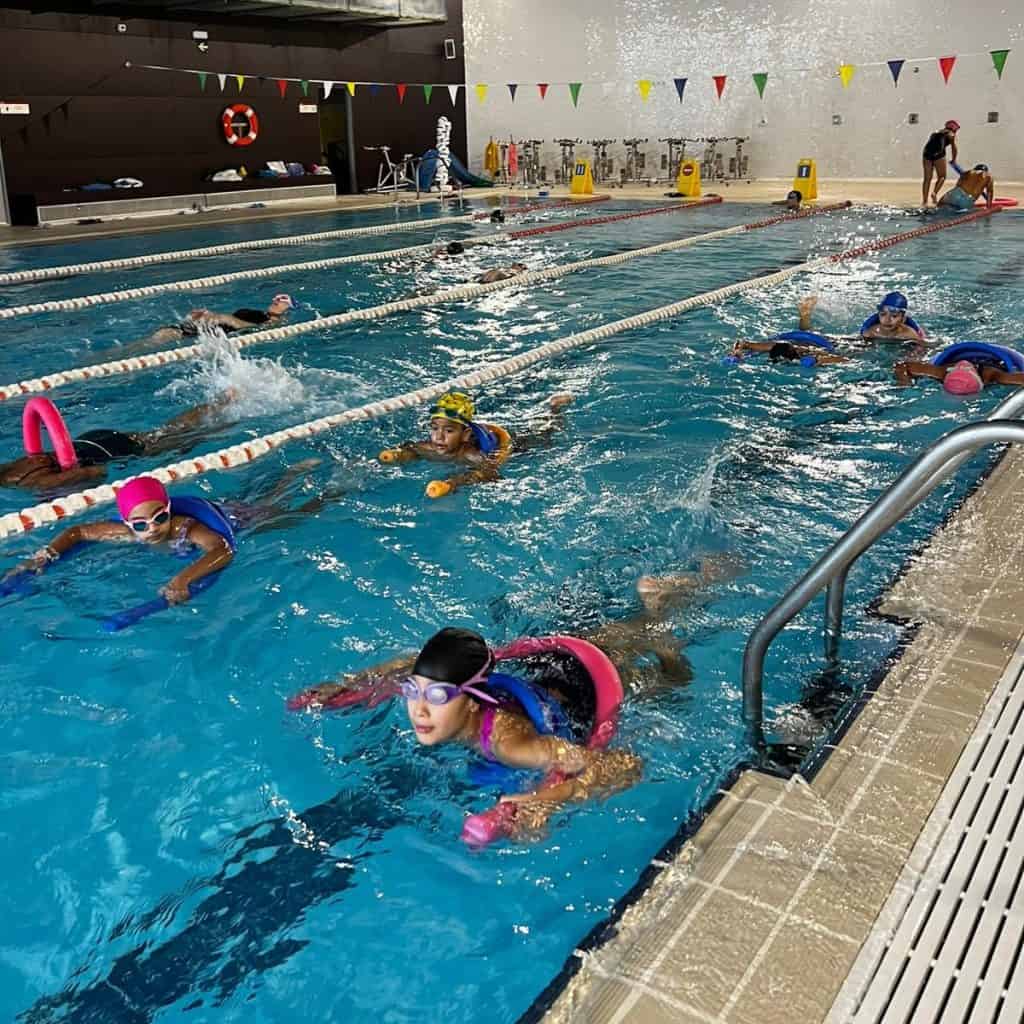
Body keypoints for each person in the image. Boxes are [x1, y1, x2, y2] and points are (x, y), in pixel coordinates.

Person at [289, 561, 741, 835]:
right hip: (546, 670)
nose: (419, 709)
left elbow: (622, 765)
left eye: (438, 695)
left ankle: (672, 615)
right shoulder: (452, 697)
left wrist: (550, 799)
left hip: (588, 685)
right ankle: (655, 613)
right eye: (413, 692)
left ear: (471, 701)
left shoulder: (512, 744)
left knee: (673, 685)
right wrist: (355, 683)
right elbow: (413, 663)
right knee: (622, 637)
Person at [2, 461, 329, 605]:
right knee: (266, 497)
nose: (153, 529)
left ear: (169, 511)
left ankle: (305, 481)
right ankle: (288, 476)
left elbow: (222, 549)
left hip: (236, 518)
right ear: (128, 523)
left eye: (159, 518)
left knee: (284, 513)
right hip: (220, 508)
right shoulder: (124, 532)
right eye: (141, 525)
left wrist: (183, 579)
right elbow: (79, 532)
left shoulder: (185, 528)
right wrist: (44, 556)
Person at [0, 391, 237, 493]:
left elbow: (98, 472)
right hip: (91, 438)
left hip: (114, 450)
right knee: (168, 430)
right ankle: (224, 400)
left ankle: (237, 420)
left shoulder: (35, 483)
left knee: (190, 439)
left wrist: (71, 483)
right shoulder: (7, 468)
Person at [378, 390, 572, 498]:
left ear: (465, 435)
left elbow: (490, 474)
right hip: (484, 435)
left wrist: (453, 483)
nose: (439, 437)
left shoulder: (471, 455)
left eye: (449, 431)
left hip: (511, 442)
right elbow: (413, 449)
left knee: (546, 435)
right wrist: (398, 455)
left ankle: (555, 409)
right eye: (434, 428)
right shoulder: (429, 446)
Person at [144, 293, 294, 346]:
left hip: (213, 333)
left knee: (162, 336)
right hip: (208, 328)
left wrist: (226, 319)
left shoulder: (276, 322)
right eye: (276, 297)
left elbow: (255, 328)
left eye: (283, 299)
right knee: (161, 334)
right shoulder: (260, 313)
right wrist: (210, 315)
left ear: (289, 308)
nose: (276, 299)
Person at [894, 342, 1024, 394]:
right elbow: (902, 365)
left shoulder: (991, 375)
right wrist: (904, 382)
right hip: (956, 359)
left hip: (990, 360)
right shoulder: (942, 372)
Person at [922, 120, 959, 206]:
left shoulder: (935, 133)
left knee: (927, 179)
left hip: (926, 154)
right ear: (954, 129)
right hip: (939, 154)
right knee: (942, 176)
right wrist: (954, 160)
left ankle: (925, 201)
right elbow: (954, 148)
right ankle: (934, 193)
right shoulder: (951, 134)